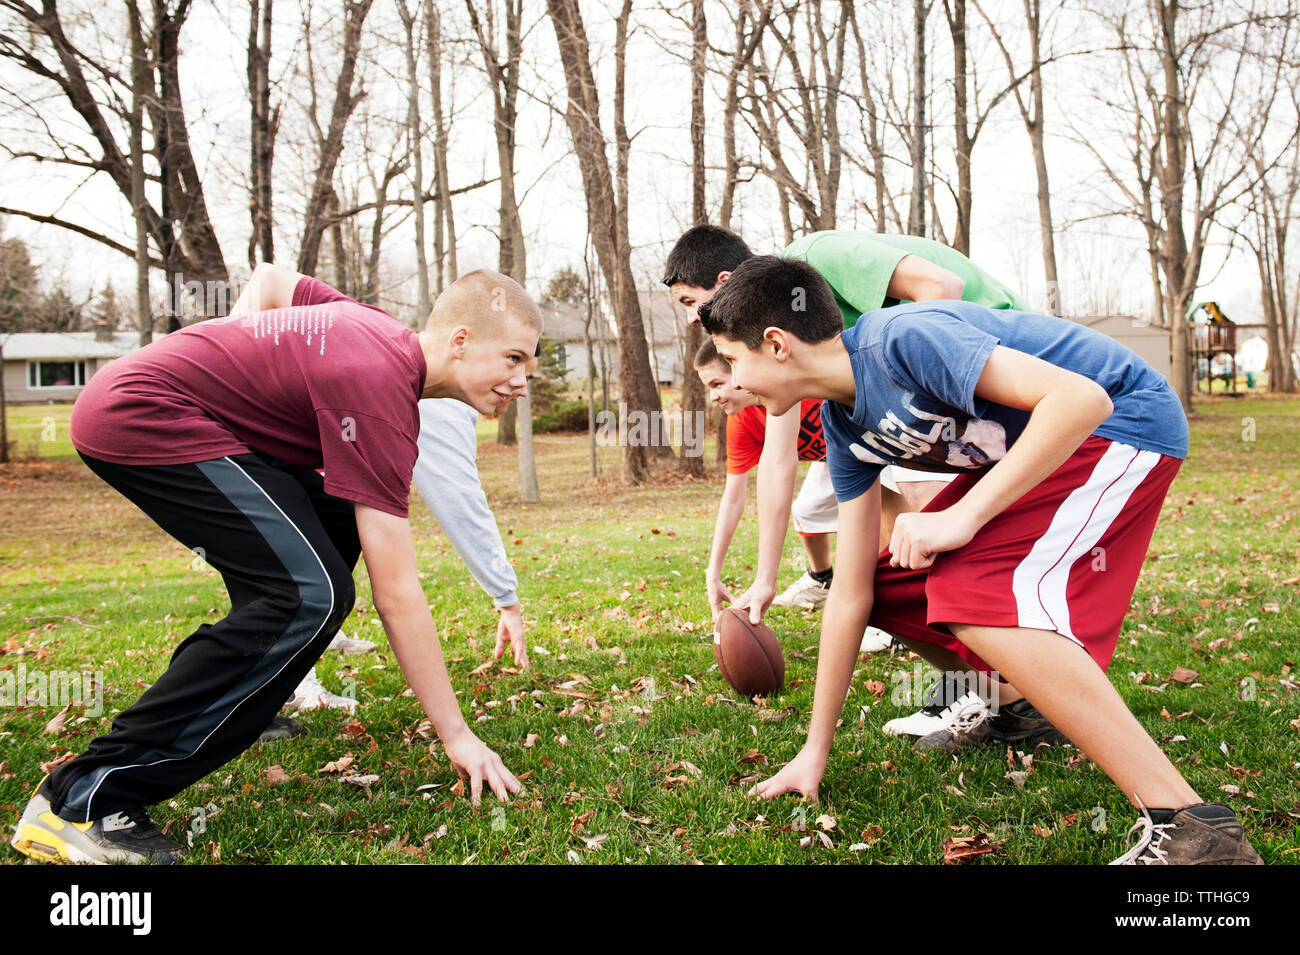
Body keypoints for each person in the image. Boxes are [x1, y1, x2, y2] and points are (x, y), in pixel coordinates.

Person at [701, 255, 1262, 865]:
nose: (730, 382)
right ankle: (1016, 705)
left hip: (1124, 420)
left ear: (777, 344)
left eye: (732, 360)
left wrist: (963, 517)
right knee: (892, 588)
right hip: (1060, 441)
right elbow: (852, 592)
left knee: (973, 586)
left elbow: (1079, 398)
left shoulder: (901, 340)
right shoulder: (844, 426)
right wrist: (815, 750)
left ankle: (1192, 828)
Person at [11, 263, 538, 864]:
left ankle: (249, 694)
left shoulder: (378, 332)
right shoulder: (380, 392)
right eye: (515, 358)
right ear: (461, 341)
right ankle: (81, 800)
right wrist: (457, 734)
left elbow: (274, 281)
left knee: (332, 532)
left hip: (174, 410)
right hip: (143, 413)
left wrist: (236, 367)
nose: (524, 380)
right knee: (309, 595)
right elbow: (398, 593)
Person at [664, 226, 1028, 736]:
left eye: (688, 300)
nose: (688, 317)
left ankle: (1006, 686)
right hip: (913, 403)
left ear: (724, 281)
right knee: (879, 572)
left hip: (996, 365)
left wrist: (899, 379)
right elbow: (777, 458)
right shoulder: (775, 343)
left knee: (940, 548)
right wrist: (764, 579)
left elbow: (941, 289)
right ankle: (996, 690)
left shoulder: (817, 257)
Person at [694, 337, 891, 652]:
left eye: (717, 383)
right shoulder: (742, 421)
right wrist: (713, 572)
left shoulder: (795, 388)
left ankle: (891, 611)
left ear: (739, 367)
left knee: (883, 516)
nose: (714, 396)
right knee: (808, 510)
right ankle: (821, 576)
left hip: (875, 439)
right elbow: (733, 498)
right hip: (835, 459)